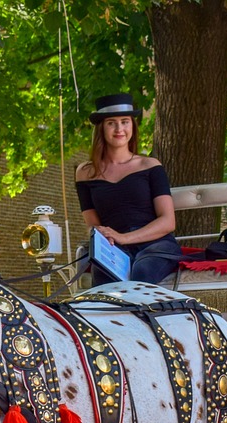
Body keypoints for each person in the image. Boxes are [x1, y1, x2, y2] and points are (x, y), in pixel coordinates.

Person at [75, 93, 184, 285]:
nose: (119, 129)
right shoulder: (85, 172)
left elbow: (168, 221)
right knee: (104, 280)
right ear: (101, 128)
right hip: (115, 247)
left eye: (125, 122)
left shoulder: (149, 165)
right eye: (111, 123)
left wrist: (124, 238)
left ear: (132, 125)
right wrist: (108, 239)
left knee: (142, 270)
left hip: (155, 244)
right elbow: (93, 224)